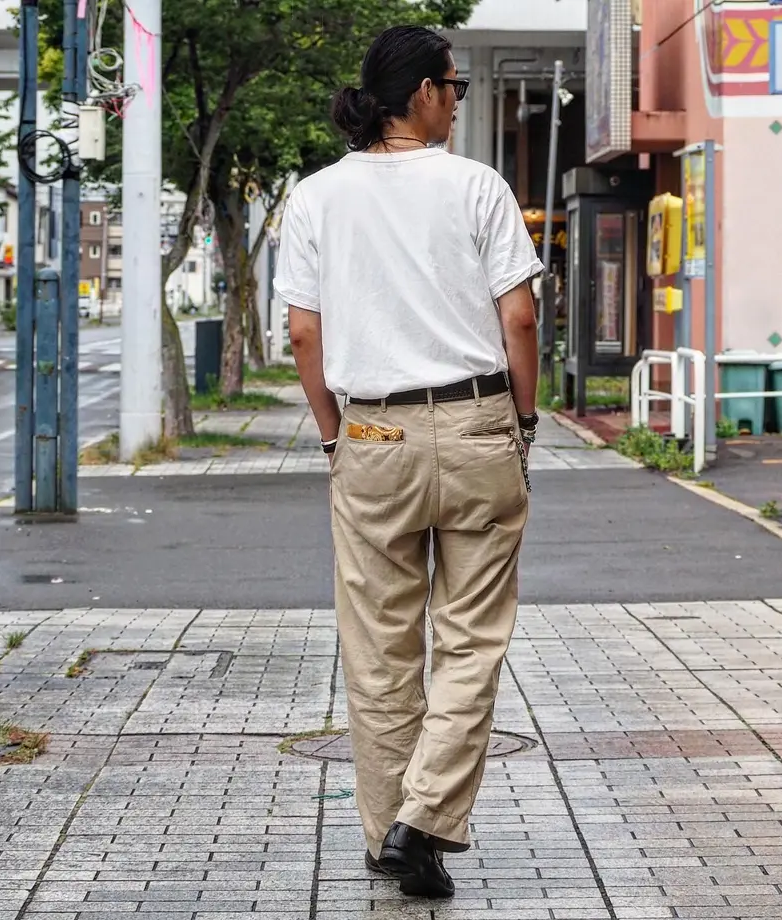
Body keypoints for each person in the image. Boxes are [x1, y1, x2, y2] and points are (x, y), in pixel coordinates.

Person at [273, 24, 543, 900]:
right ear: (422, 92)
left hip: (370, 435)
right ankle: (420, 823)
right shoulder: (477, 187)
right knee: (470, 639)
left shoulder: (315, 198)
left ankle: (394, 831)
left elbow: (303, 333)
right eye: (455, 87)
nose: (458, 102)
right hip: (474, 427)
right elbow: (521, 322)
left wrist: (329, 431)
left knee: (380, 647)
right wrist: (525, 420)